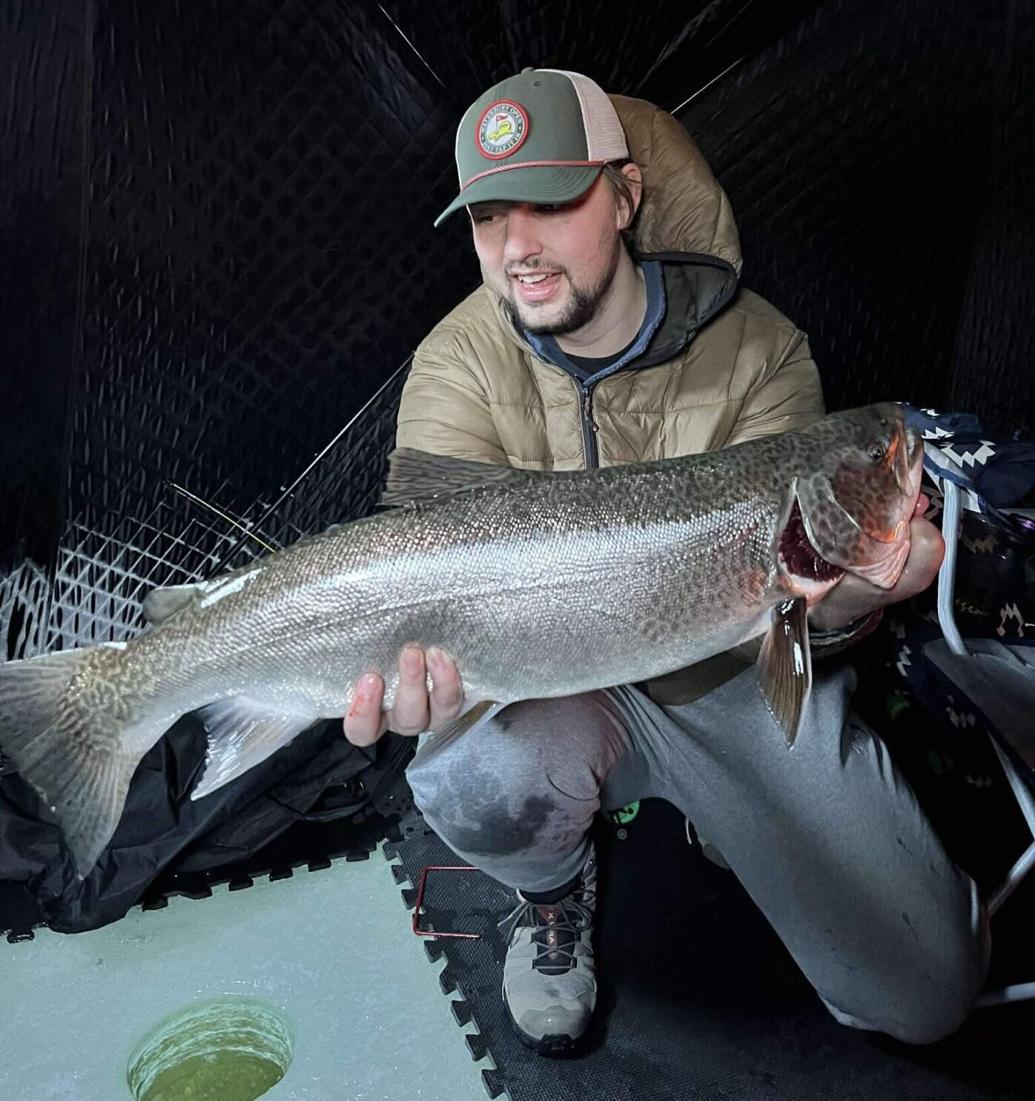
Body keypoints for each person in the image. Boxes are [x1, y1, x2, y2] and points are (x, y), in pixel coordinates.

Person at [344, 69, 987, 1055]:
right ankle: (551, 895)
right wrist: (418, 679)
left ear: (627, 196)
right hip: (552, 687)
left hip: (732, 682)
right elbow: (429, 561)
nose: (518, 248)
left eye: (552, 203)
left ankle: (730, 813)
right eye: (487, 219)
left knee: (928, 992)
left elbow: (804, 586)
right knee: (465, 768)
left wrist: (854, 598)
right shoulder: (457, 361)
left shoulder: (763, 353)